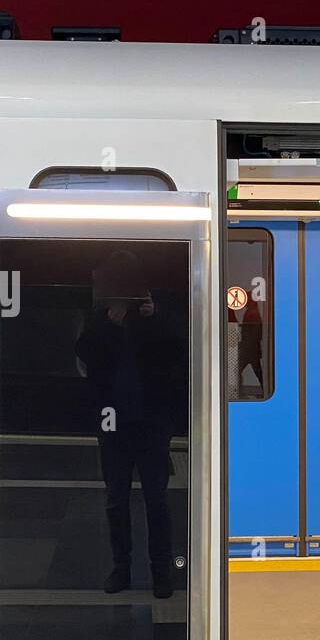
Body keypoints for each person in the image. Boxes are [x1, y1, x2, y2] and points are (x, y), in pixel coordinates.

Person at [74, 250, 182, 598]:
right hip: (113, 420)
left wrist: (153, 319)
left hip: (150, 419)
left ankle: (160, 572)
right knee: (116, 498)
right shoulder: (100, 315)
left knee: (156, 498)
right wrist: (109, 325)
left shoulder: (155, 311)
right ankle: (121, 568)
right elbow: (86, 353)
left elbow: (176, 353)